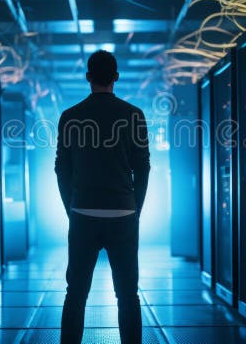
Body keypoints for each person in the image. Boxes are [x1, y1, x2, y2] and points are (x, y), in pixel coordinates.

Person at [55, 50, 151, 344]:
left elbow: (62, 168)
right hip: (123, 214)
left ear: (88, 77)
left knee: (76, 293)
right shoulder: (134, 115)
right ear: (116, 77)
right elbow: (142, 167)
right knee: (127, 294)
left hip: (83, 213)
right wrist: (135, 207)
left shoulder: (70, 116)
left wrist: (71, 207)